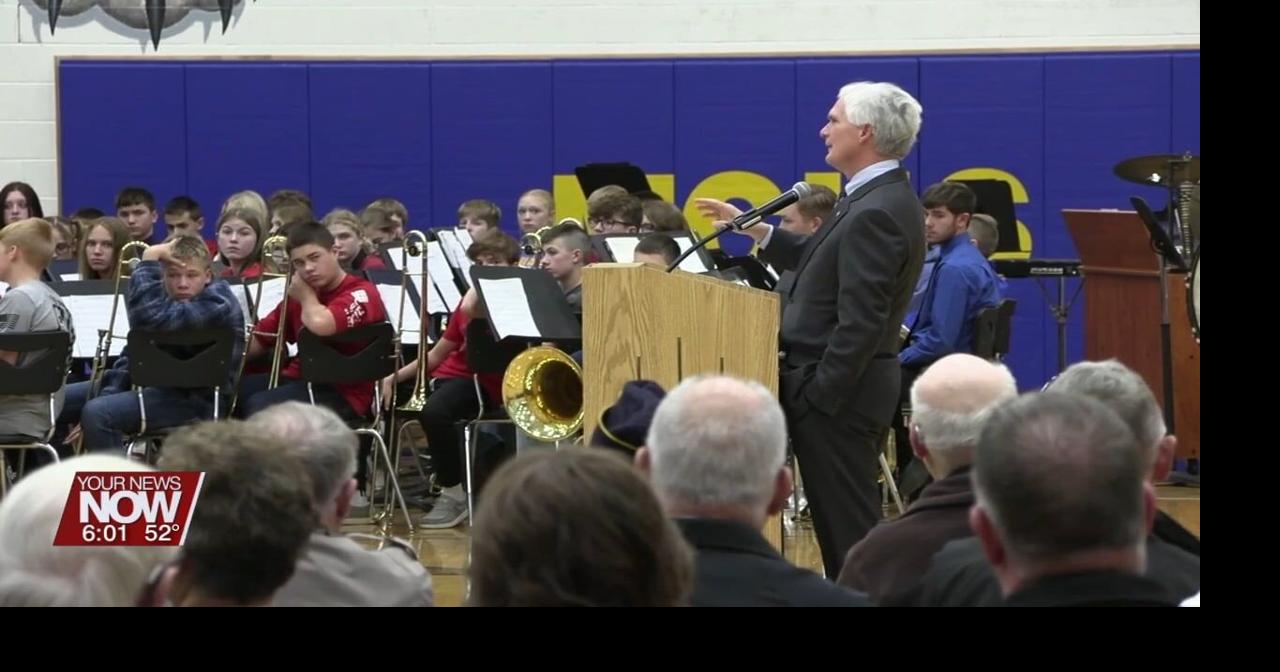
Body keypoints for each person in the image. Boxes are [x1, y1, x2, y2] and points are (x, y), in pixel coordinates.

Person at [696, 81, 925, 576]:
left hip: (836, 392)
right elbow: (824, 260)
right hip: (836, 386)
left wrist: (822, 394)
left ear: (864, 131)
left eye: (834, 120)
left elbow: (861, 319)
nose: (824, 129)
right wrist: (758, 230)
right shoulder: (874, 198)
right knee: (842, 526)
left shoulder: (878, 209)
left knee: (848, 530)